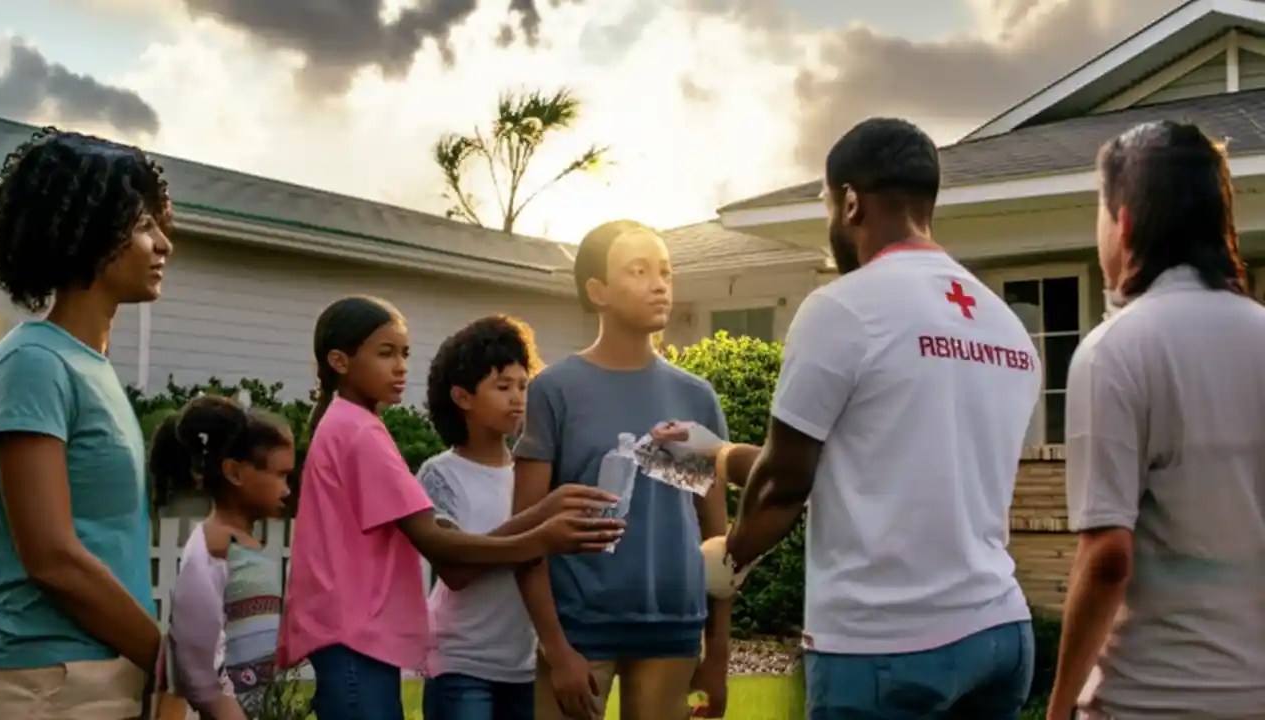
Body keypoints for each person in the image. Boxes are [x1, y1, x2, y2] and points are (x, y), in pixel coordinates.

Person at [658, 118, 1043, 719]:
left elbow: (787, 482)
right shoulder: (1006, 328)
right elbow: (867, 471)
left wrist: (728, 561)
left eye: (827, 205)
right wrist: (712, 453)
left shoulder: (843, 308)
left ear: (852, 201)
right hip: (999, 633)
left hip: (886, 645)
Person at [277, 296, 626, 720]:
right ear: (340, 361)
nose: (401, 365)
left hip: (356, 636)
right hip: (361, 638)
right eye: (386, 353)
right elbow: (438, 543)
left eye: (404, 353)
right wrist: (542, 529)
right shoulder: (360, 433)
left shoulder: (350, 425)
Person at [1046, 121, 1265, 720]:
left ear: (1125, 222)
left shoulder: (1113, 352)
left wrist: (1058, 707)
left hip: (1151, 699)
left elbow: (1108, 556)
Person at [0, 129, 173, 718]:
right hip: (47, 682)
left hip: (100, 674)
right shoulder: (33, 363)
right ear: (88, 232)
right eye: (145, 226)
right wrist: (168, 659)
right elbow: (51, 558)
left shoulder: (87, 367)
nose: (164, 244)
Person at [512, 220, 733, 720]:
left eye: (665, 272)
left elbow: (716, 536)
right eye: (638, 271)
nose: (659, 284)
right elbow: (525, 532)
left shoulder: (694, 396)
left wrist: (717, 650)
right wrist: (555, 647)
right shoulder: (556, 391)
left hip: (673, 628)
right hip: (579, 630)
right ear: (598, 291)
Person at [419, 315, 544, 720]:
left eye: (524, 386)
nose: (518, 398)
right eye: (502, 386)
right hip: (461, 664)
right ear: (462, 396)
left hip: (524, 664)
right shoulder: (440, 474)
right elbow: (455, 571)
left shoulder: (534, 474)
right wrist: (541, 526)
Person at [150, 394, 294, 720]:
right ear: (235, 473)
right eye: (279, 475)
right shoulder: (211, 550)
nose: (287, 489)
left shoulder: (243, 547)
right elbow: (198, 672)